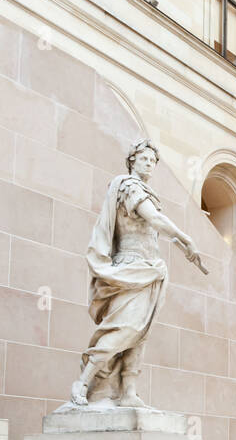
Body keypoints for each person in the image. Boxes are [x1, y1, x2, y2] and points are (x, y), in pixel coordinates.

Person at [69, 140, 204, 408]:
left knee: (140, 334)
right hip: (130, 267)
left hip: (150, 268)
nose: (149, 164)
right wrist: (186, 238)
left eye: (153, 161)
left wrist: (181, 247)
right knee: (125, 327)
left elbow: (152, 230)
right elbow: (153, 219)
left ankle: (128, 391)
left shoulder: (146, 192)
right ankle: (83, 382)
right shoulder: (129, 186)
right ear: (132, 160)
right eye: (144, 158)